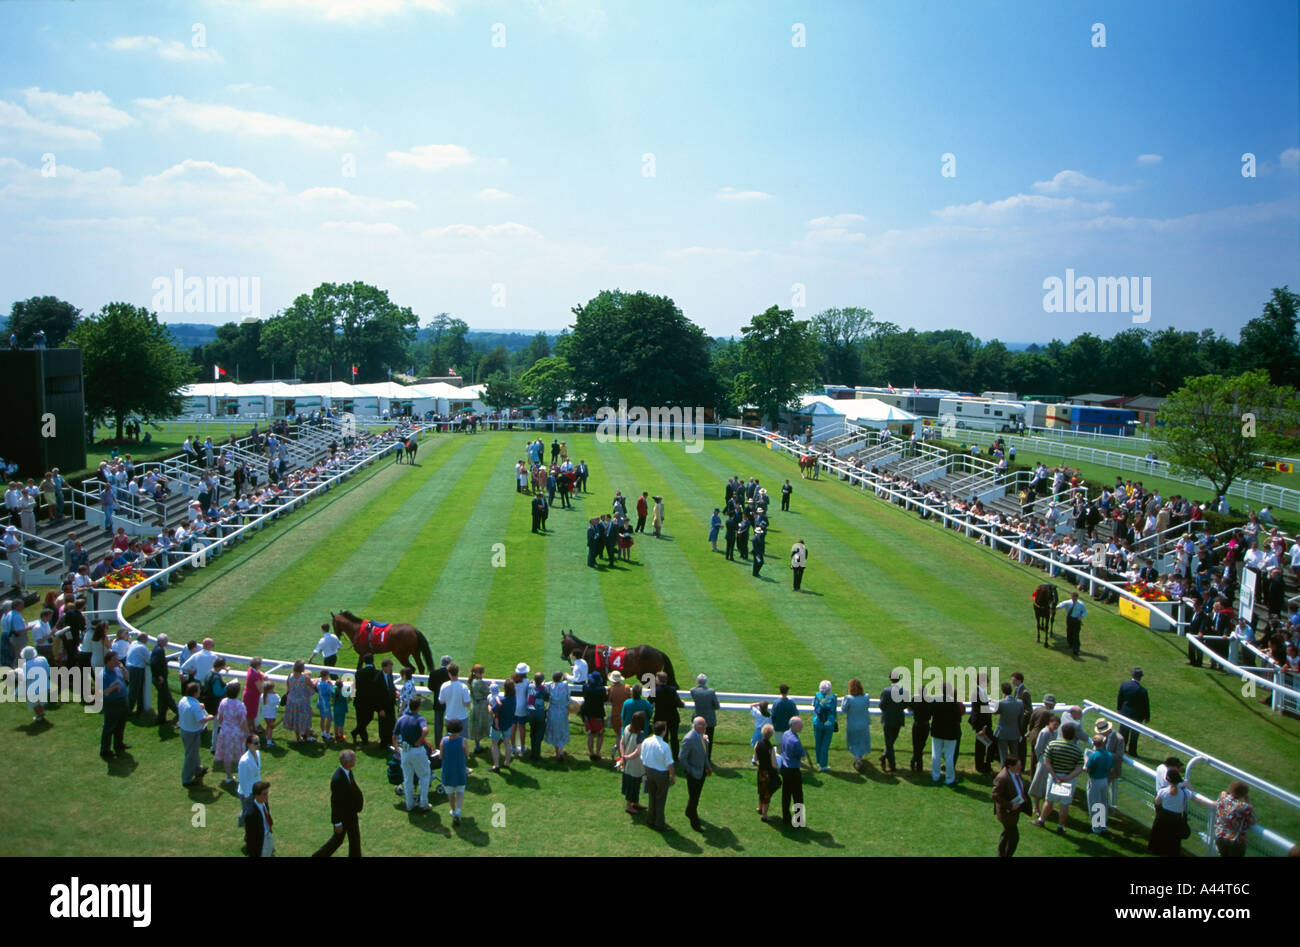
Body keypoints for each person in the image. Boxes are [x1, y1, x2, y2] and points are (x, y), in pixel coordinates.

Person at [1035, 722, 1085, 836]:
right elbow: (1079, 769)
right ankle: (1060, 826)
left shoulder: (1052, 745)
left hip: (1054, 777)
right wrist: (1066, 778)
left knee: (1049, 801)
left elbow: (1047, 763)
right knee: (1065, 804)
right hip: (1069, 780)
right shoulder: (1077, 750)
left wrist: (1056, 777)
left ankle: (1041, 820)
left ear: (1062, 733)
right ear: (1073, 736)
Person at [313, 749, 364, 857]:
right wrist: (337, 823)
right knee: (337, 841)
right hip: (343, 817)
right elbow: (335, 803)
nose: (356, 760)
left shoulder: (348, 772)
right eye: (354, 758)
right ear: (347, 762)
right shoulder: (338, 779)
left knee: (355, 839)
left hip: (351, 814)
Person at [393, 695, 433, 813]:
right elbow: (425, 730)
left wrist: (397, 749)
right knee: (424, 776)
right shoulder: (420, 719)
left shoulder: (401, 719)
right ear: (419, 707)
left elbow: (394, 736)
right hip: (417, 750)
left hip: (405, 751)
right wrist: (420, 741)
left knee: (407, 779)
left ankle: (409, 804)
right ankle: (423, 803)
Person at [992, 756, 1032, 856]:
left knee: (1006, 834)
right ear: (1010, 766)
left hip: (1015, 810)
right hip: (1007, 812)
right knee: (1014, 838)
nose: (1021, 767)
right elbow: (995, 795)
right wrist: (1010, 805)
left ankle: (1001, 855)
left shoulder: (1015, 772)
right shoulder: (1002, 778)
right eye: (1018, 765)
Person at [640, 720, 675, 831]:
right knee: (660, 799)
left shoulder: (646, 741)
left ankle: (651, 819)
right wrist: (672, 776)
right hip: (661, 774)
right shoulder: (665, 746)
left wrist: (645, 771)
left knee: (652, 797)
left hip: (649, 771)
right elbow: (669, 764)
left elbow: (643, 758)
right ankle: (659, 823)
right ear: (663, 731)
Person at [1147, 768, 1192, 856]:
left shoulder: (1163, 791)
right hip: (1176, 820)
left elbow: (1157, 802)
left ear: (1168, 780)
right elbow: (1192, 792)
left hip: (1162, 819)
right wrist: (1185, 783)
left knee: (1159, 839)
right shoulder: (1184, 792)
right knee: (1173, 843)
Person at [679, 716, 712, 831]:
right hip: (693, 773)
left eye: (705, 724)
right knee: (694, 798)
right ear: (696, 726)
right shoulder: (689, 739)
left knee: (696, 796)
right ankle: (694, 822)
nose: (705, 727)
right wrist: (691, 771)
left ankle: (689, 811)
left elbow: (704, 754)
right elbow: (682, 758)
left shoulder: (702, 736)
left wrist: (707, 767)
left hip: (701, 771)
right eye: (702, 725)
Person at [779, 717, 812, 827]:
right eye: (800, 725)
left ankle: (785, 817)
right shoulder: (795, 741)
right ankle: (798, 821)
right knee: (798, 795)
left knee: (786, 794)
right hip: (793, 770)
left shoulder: (785, 734)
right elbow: (802, 756)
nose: (802, 727)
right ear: (793, 726)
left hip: (784, 767)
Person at [178, 682, 213, 786]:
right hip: (192, 733)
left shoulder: (183, 700)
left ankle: (198, 769)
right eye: (198, 690)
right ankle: (186, 778)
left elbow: (192, 709)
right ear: (195, 693)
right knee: (190, 756)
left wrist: (199, 706)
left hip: (185, 730)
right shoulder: (194, 706)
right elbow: (201, 720)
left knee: (194, 752)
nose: (200, 692)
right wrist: (210, 717)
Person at [214, 681, 250, 783]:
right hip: (237, 734)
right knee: (241, 756)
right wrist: (248, 734)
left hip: (225, 732)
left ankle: (229, 776)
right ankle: (242, 776)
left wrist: (223, 726)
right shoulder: (240, 705)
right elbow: (243, 722)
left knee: (227, 755)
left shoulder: (223, 702)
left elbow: (220, 718)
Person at [1026, 715, 1060, 821]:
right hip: (1043, 760)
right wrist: (1039, 759)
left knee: (1047, 784)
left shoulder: (1054, 733)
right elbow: (1038, 747)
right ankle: (1035, 806)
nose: (1056, 727)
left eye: (1057, 725)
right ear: (1049, 723)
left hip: (1050, 761)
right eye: (1054, 725)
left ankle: (1047, 805)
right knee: (1039, 784)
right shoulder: (1044, 732)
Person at [929, 684, 964, 785]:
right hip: (950, 733)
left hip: (937, 731)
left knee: (936, 754)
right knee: (949, 756)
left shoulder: (936, 700)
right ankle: (949, 779)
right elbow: (958, 719)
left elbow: (931, 712)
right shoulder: (953, 702)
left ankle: (935, 777)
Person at [98, 651, 129, 761]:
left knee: (121, 723)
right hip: (112, 703)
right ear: (108, 661)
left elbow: (127, 679)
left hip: (122, 700)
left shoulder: (117, 670)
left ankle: (118, 744)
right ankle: (105, 750)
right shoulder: (103, 675)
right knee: (109, 726)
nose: (117, 661)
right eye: (114, 660)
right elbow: (104, 692)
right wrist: (114, 687)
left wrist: (123, 668)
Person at [1213, 782, 1257, 857]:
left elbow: (1224, 793)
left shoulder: (1222, 797)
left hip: (1220, 836)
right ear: (1244, 794)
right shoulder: (1244, 806)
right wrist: (1248, 801)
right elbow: (1253, 820)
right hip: (1235, 840)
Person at [1116, 667, 1150, 756]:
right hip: (1137, 715)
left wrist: (1119, 709)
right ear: (1140, 677)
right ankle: (1132, 751)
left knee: (1123, 732)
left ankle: (1121, 748)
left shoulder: (1124, 685)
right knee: (1134, 735)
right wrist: (1147, 717)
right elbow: (1145, 705)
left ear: (1132, 675)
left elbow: (1120, 698)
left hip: (1125, 712)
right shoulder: (1143, 690)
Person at [1084, 734, 1114, 834]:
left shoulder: (1093, 756)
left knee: (1094, 804)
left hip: (1094, 781)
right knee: (1103, 803)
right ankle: (1103, 825)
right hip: (1104, 781)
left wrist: (1086, 760)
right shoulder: (1109, 755)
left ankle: (1096, 828)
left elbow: (1087, 769)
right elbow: (1111, 769)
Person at [441, 718, 469, 826]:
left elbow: (440, 756)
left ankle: (453, 810)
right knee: (460, 791)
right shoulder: (463, 741)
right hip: (459, 770)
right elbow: (467, 754)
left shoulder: (444, 741)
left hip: (448, 771)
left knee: (450, 793)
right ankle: (458, 810)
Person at [651, 670, 684, 759]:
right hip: (673, 717)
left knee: (662, 739)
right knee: (674, 738)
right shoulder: (672, 690)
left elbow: (649, 701)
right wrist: (682, 702)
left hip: (660, 718)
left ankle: (663, 756)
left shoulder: (655, 690)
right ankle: (676, 757)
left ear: (658, 680)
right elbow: (679, 704)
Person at [840, 678, 871, 772]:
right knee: (861, 741)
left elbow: (844, 709)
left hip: (853, 724)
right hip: (864, 724)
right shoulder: (866, 697)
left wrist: (842, 700)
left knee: (854, 741)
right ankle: (859, 758)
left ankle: (858, 759)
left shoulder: (848, 698)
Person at [619, 710, 647, 814]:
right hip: (635, 764)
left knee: (630, 782)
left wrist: (623, 756)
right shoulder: (641, 734)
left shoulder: (626, 728)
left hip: (627, 763)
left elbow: (621, 743)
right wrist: (627, 757)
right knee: (633, 784)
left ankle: (635, 802)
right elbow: (638, 752)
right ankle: (629, 806)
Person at [283, 659, 316, 743]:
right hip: (302, 702)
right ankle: (308, 736)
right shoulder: (305, 677)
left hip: (292, 701)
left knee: (295, 719)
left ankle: (298, 737)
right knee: (306, 718)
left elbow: (288, 688)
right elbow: (312, 686)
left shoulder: (290, 675)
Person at [878, 672, 906, 772]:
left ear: (890, 679)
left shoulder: (886, 691)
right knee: (891, 741)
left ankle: (884, 757)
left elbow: (881, 706)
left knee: (889, 742)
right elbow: (905, 705)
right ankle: (891, 764)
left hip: (888, 719)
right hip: (898, 719)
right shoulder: (903, 691)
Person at [690, 674, 720, 759]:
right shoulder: (711, 691)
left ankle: (697, 757)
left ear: (697, 681)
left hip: (698, 720)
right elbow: (717, 706)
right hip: (709, 720)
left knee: (697, 739)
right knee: (708, 740)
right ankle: (707, 758)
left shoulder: (693, 691)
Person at [993, 681, 1023, 765]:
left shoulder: (1001, 703)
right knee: (1014, 755)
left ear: (1003, 691)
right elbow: (1021, 718)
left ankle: (1004, 773)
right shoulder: (1020, 703)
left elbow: (995, 712)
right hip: (1015, 732)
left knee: (1004, 755)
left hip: (1003, 733)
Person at [244, 781, 274, 858]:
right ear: (256, 795)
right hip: (260, 841)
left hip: (268, 835)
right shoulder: (251, 813)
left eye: (267, 793)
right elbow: (250, 836)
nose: (267, 796)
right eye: (264, 794)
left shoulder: (265, 803)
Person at [545, 671, 571, 759]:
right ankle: (561, 751)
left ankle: (557, 753)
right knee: (562, 730)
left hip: (553, 711)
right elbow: (565, 683)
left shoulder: (551, 687)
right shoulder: (564, 685)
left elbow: (546, 685)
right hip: (562, 711)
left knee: (554, 731)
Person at [582, 671, 607, 761]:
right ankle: (597, 752)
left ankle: (591, 753)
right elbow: (604, 698)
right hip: (598, 714)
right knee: (600, 734)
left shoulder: (586, 688)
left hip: (587, 714)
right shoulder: (601, 690)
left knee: (590, 734)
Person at [428, 655, 452, 745]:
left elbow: (430, 687)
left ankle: (438, 745)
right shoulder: (451, 673)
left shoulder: (434, 673)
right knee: (450, 724)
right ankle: (449, 743)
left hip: (438, 701)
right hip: (449, 702)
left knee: (438, 725)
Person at [467, 664, 490, 755]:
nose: (481, 674)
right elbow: (487, 691)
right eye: (480, 673)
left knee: (476, 726)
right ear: (475, 673)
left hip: (475, 705)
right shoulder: (479, 682)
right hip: (481, 706)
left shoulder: (472, 681)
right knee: (484, 724)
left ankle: (477, 746)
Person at [1057, 590, 1087, 657]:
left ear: (1077, 597)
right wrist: (1057, 607)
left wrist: (1081, 617)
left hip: (1076, 620)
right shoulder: (1068, 602)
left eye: (1074, 597)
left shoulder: (1081, 604)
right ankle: (1070, 643)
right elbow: (1062, 604)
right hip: (1069, 619)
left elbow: (1084, 612)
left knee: (1076, 634)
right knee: (1069, 632)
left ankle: (1076, 649)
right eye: (1072, 597)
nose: (1073, 598)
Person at [261, 681, 282, 746]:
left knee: (268, 725)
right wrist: (275, 694)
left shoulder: (263, 696)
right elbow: (279, 701)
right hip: (272, 715)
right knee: (271, 727)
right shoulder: (274, 696)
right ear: (271, 689)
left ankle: (267, 736)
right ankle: (269, 742)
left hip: (265, 714)